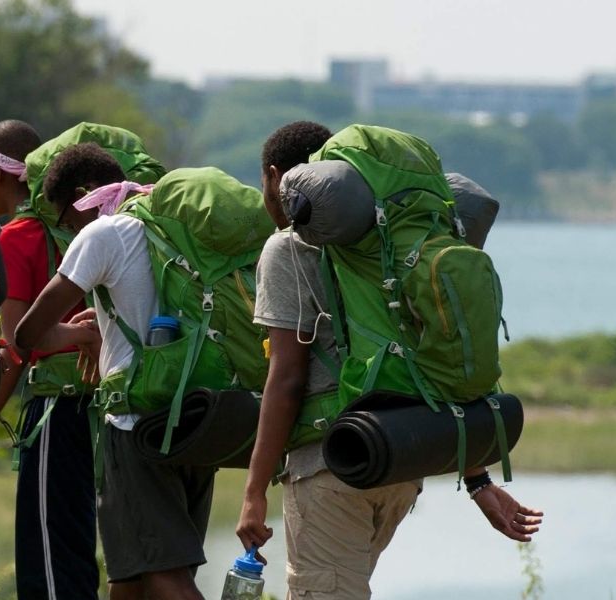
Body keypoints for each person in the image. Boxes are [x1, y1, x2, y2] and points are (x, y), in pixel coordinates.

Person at [233, 121, 544, 599]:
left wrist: (254, 492)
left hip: (330, 464)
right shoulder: (389, 247)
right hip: (396, 459)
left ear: (276, 178)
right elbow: (425, 360)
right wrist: (478, 482)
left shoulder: (288, 249)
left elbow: (288, 378)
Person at [16, 144, 207, 600]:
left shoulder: (104, 233)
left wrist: (77, 333)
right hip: (198, 414)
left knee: (165, 575)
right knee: (129, 575)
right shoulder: (173, 229)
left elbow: (28, 335)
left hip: (136, 421)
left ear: (84, 196)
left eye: (65, 220)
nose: (67, 231)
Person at [0, 120, 106, 600]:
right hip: (115, 409)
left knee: (50, 561)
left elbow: (16, 348)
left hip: (60, 411)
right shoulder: (93, 225)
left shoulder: (19, 236)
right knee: (87, 554)